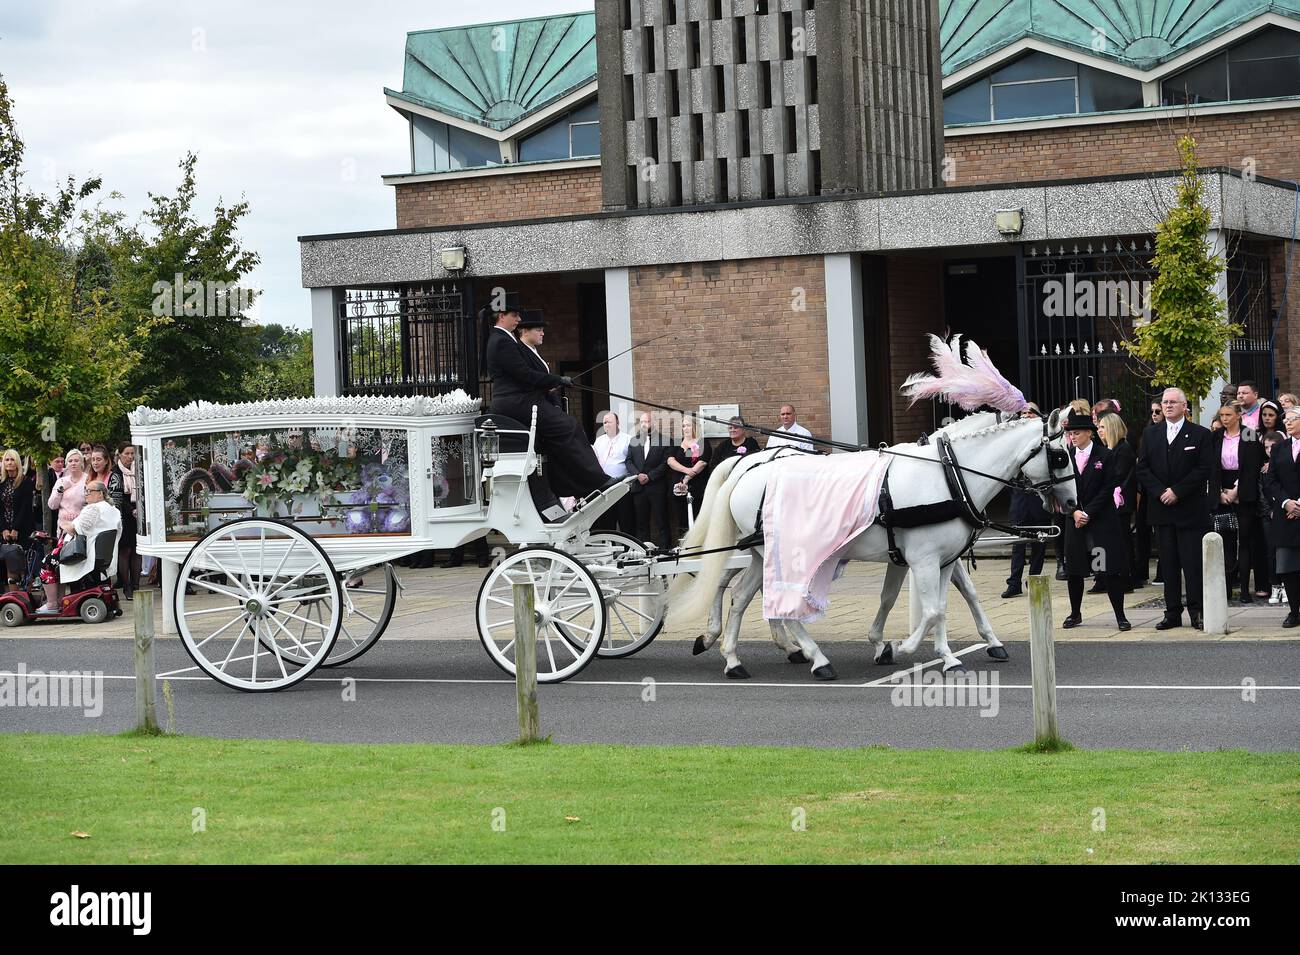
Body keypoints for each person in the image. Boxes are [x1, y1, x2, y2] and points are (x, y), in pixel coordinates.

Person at [483, 303, 610, 520]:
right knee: (568, 426)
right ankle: (594, 481)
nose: (518, 319)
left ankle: (568, 487)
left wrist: (552, 384)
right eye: (515, 315)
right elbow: (523, 374)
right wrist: (557, 380)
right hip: (517, 402)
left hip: (523, 399)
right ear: (502, 316)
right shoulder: (503, 340)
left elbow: (524, 375)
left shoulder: (506, 340)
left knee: (558, 435)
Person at [1136, 387, 1212, 630]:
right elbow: (1143, 468)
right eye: (1165, 402)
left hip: (1189, 509)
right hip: (1162, 509)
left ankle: (1197, 611)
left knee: (1191, 564)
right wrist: (1161, 491)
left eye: (1172, 402)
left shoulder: (1200, 434)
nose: (1167, 406)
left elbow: (1204, 468)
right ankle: (1172, 613)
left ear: (1184, 406)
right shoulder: (1150, 434)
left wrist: (1177, 491)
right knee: (1168, 564)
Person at [1060, 411, 1130, 630]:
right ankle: (1075, 613)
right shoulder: (1065, 457)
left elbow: (1109, 486)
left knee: (1108, 569)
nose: (1073, 437)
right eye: (1070, 433)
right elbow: (1060, 490)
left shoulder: (1105, 455)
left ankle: (1120, 615)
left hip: (1100, 520)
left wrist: (1088, 512)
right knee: (1075, 569)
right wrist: (1074, 512)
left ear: (1089, 433)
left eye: (1077, 433)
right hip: (1075, 520)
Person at [1208, 404, 1266, 603]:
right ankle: (1225, 588)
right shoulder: (1215, 437)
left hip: (1244, 490)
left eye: (1228, 415)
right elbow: (1211, 467)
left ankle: (1243, 590)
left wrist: (1236, 491)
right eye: (1222, 415)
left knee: (1245, 540)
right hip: (1222, 490)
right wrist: (1220, 492)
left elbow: (1252, 465)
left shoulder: (1249, 435)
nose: (1224, 419)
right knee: (1226, 542)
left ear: (1238, 415)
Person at [1002, 405, 1049, 598]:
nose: (1026, 415)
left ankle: (1034, 580)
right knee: (1018, 541)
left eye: (1030, 412)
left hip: (1038, 497)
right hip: (1020, 496)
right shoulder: (1015, 439)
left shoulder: (1044, 437)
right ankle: (1014, 583)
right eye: (1023, 412)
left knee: (1039, 540)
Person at [1261, 407, 1300, 626]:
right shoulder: (1279, 448)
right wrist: (1287, 503)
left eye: (1293, 419)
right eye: (1286, 420)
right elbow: (1271, 481)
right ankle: (1295, 611)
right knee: (1288, 567)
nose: (1288, 423)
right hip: (1285, 515)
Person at [39, 449, 91, 612]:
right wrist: (60, 490)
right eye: (70, 461)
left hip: (80, 531)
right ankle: (58, 602)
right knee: (59, 566)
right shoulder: (62, 481)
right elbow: (52, 505)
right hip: (62, 531)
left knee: (59, 563)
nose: (73, 463)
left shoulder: (87, 480)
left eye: (76, 460)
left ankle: (56, 603)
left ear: (82, 462)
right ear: (66, 464)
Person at [1097, 412, 1137, 592]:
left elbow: (1117, 476)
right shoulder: (1111, 449)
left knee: (1122, 542)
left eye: (1103, 427)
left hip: (1120, 504)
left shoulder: (1123, 449)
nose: (1099, 431)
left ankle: (1126, 578)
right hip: (1112, 503)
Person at [626, 411, 672, 549]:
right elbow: (628, 461)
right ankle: (643, 551)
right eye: (642, 422)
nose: (644, 424)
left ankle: (665, 551)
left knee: (661, 521)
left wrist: (650, 476)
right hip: (639, 487)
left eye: (647, 421)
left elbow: (665, 463)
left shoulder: (665, 440)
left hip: (656, 487)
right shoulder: (634, 440)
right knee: (641, 523)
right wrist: (637, 474)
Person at [1133, 399, 1165, 587]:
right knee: (1143, 529)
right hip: (1146, 489)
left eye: (1157, 412)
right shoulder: (1147, 434)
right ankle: (1141, 570)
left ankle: (1162, 570)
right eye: (1152, 411)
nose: (1154, 415)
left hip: (1162, 489)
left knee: (1161, 534)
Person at [107, 442, 142, 599]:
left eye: (132, 454)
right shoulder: (116, 473)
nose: (130, 457)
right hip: (124, 515)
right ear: (119, 454)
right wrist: (131, 510)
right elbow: (116, 497)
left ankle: (136, 585)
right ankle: (126, 586)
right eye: (127, 453)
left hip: (139, 514)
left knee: (137, 550)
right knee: (125, 550)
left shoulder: (138, 471)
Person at [591, 410, 633, 533]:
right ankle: (611, 550)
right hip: (604, 488)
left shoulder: (628, 439)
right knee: (607, 522)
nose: (606, 425)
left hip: (622, 487)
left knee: (625, 521)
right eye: (604, 423)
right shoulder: (599, 441)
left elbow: (632, 462)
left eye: (609, 422)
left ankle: (628, 549)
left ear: (618, 423)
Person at [1, 449, 35, 593]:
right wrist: (3, 529)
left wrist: (15, 528)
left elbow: (26, 507)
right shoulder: (1, 483)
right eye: (7, 460)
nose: (9, 462)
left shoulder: (26, 482)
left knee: (24, 565)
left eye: (12, 459)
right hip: (5, 531)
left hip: (23, 528)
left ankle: (26, 597)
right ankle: (14, 597)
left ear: (18, 462)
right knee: (10, 564)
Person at [666, 416, 708, 532]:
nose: (685, 428)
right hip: (678, 488)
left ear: (694, 426)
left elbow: (702, 462)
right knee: (682, 520)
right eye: (683, 426)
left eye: (688, 425)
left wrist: (687, 478)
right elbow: (670, 461)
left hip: (696, 488)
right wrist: (687, 471)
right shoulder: (676, 443)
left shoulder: (702, 442)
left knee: (697, 519)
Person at [1259, 430, 1286, 604]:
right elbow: (1261, 492)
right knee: (1271, 552)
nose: (1269, 450)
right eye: (1266, 447)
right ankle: (1275, 585)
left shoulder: (1286, 464)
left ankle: (1286, 586)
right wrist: (1269, 511)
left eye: (1273, 447)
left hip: (1287, 511)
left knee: (1287, 551)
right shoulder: (1262, 469)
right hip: (1269, 515)